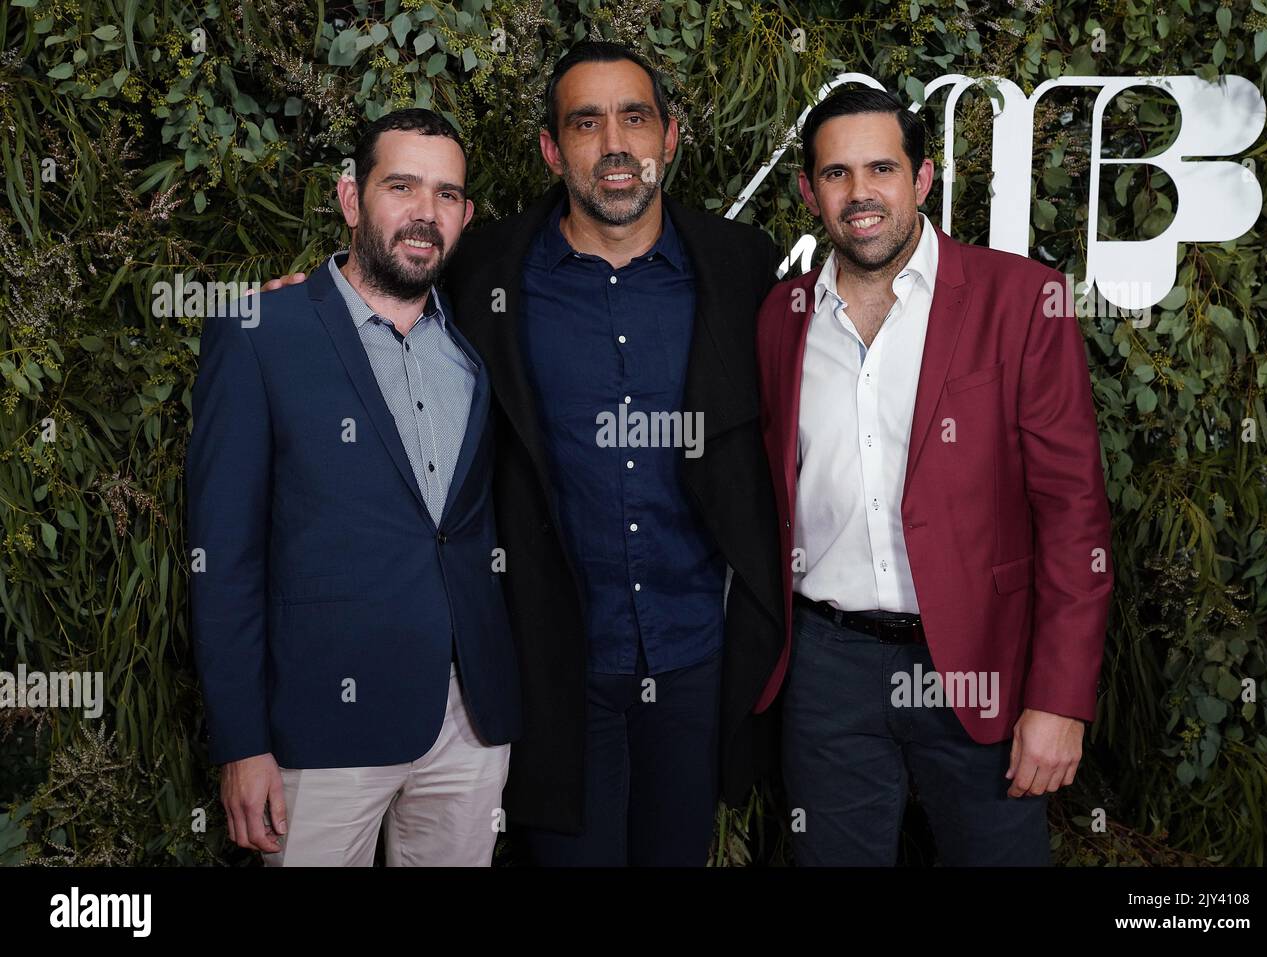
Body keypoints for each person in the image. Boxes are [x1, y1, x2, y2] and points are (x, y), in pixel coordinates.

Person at [265, 42, 787, 866]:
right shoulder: (483, 269)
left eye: (635, 118)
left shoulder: (741, 263)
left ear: (669, 136)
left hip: (694, 656)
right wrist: (305, 304)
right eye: (585, 123)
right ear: (551, 148)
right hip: (549, 663)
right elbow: (381, 296)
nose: (613, 144)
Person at [754, 88, 1114, 865]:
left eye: (881, 168)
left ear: (920, 179)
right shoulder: (782, 316)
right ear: (810, 191)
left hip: (981, 658)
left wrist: (1059, 698)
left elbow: (1073, 514)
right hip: (828, 666)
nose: (860, 193)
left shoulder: (1021, 301)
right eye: (837, 173)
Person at [186, 108, 522, 866]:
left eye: (445, 194)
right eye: (401, 186)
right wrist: (241, 741)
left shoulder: (476, 342)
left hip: (468, 723)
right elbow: (222, 557)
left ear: (465, 216)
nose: (424, 212)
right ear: (350, 198)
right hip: (320, 728)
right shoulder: (259, 332)